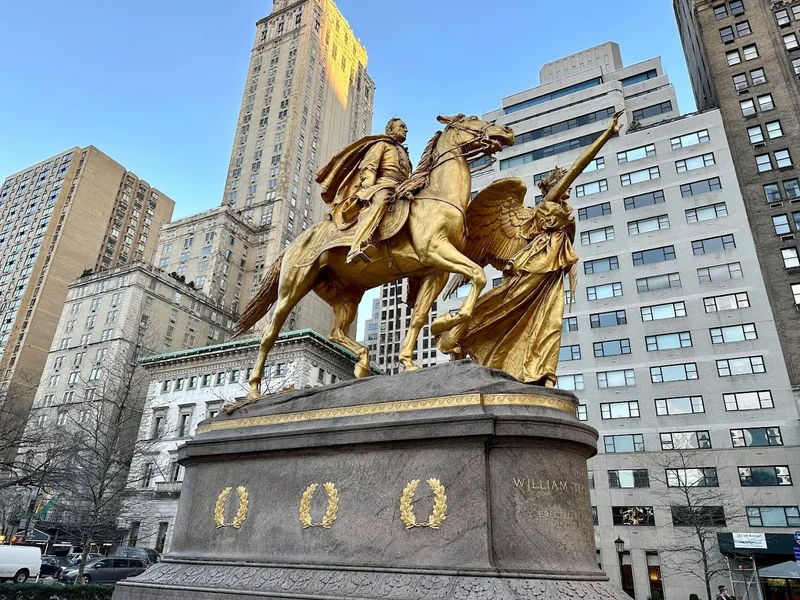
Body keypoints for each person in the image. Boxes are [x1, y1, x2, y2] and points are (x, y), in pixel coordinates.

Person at [437, 109, 623, 385]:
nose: (565, 187)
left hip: (550, 275)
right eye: (559, 183)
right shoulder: (547, 205)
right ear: (551, 187)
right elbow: (577, 168)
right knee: (499, 307)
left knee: (549, 322)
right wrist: (607, 134)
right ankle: (457, 335)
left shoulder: (562, 210)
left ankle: (542, 373)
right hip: (533, 267)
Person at [315, 118, 411, 263]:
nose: (406, 130)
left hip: (402, 189)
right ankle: (357, 245)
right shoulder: (381, 144)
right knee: (381, 200)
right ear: (391, 130)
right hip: (383, 185)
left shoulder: (405, 154)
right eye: (402, 126)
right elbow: (369, 165)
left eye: (405, 127)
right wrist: (368, 186)